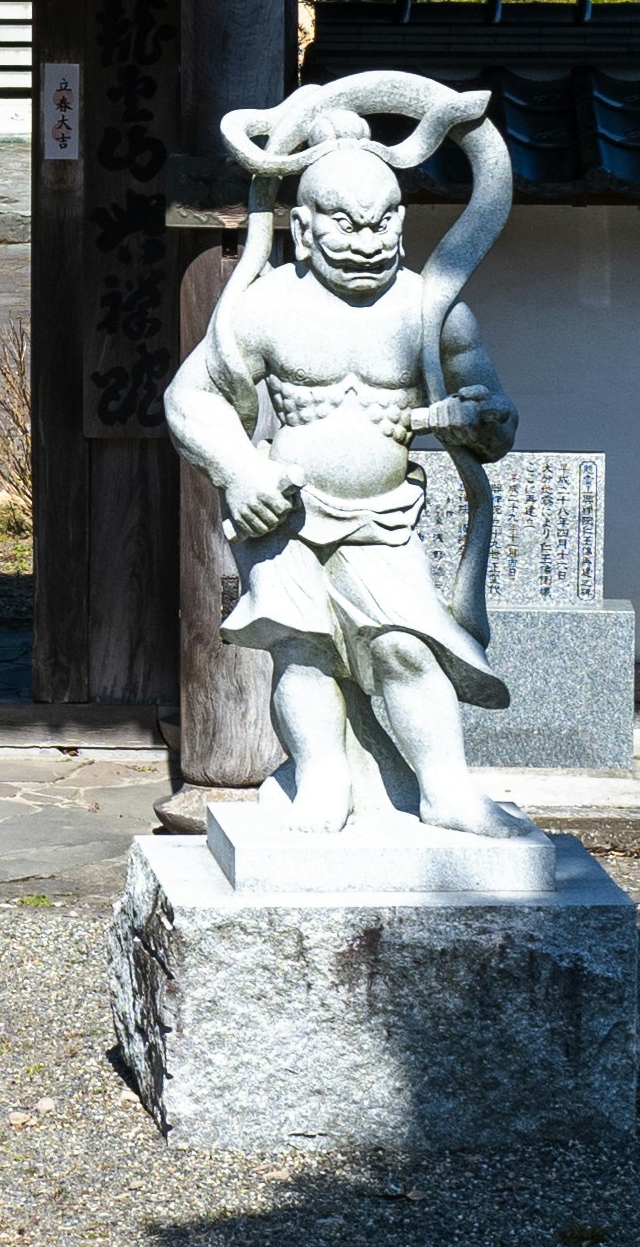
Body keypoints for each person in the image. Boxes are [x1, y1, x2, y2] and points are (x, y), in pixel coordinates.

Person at [159, 68, 521, 839]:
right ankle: (322, 782)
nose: (367, 242)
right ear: (303, 226)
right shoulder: (266, 306)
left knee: (406, 648)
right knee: (305, 655)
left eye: (384, 223)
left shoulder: (431, 306)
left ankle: (445, 789)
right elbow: (190, 400)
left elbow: (493, 412)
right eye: (344, 225)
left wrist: (482, 420)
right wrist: (240, 469)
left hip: (386, 517)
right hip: (288, 516)